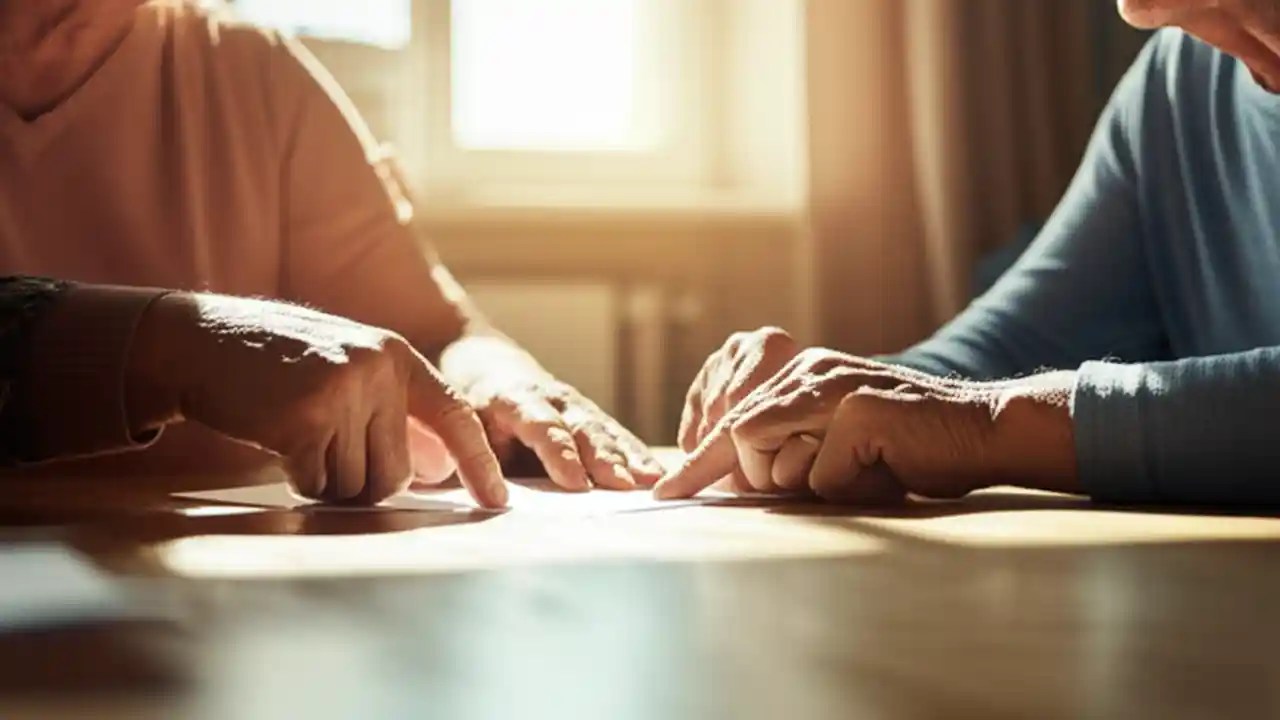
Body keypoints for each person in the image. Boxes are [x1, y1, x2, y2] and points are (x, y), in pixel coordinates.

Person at [0, 0, 663, 507]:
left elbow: (435, 334)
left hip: (224, 616)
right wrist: (177, 347)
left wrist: (498, 381)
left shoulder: (254, 72)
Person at [657, 0, 1280, 507]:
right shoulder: (1180, 80)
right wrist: (838, 399)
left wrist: (988, 427)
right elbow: (1018, 343)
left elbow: (980, 414)